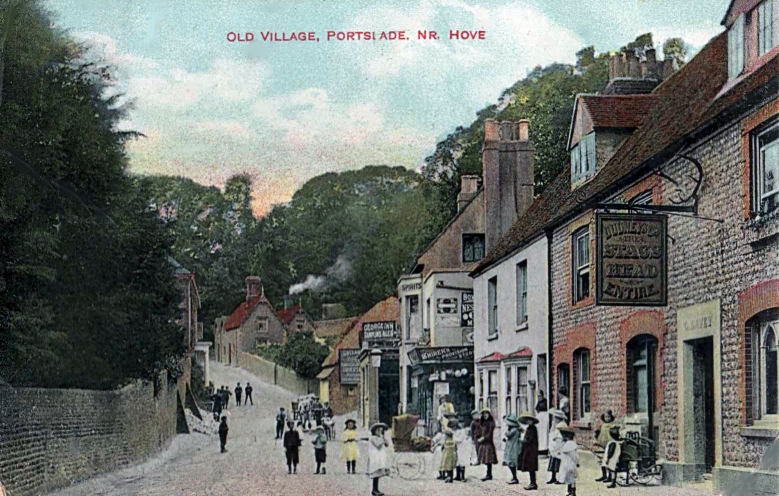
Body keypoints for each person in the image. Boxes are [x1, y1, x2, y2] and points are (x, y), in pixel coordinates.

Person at [367, 422, 390, 496]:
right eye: (378, 430)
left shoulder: (380, 438)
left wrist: (384, 439)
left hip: (379, 458)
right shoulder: (372, 438)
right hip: (374, 458)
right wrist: (382, 439)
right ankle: (374, 490)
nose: (379, 432)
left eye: (381, 430)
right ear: (374, 431)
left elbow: (387, 444)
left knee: (378, 474)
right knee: (375, 474)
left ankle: (376, 489)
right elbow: (378, 445)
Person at [517, 412, 539, 490]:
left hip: (532, 450)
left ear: (532, 421)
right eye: (527, 420)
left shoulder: (533, 428)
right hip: (529, 449)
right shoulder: (529, 428)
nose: (528, 421)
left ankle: (533, 483)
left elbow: (529, 440)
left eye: (529, 420)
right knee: (530, 466)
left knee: (531, 466)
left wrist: (522, 441)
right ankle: (532, 482)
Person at [475, 408, 498, 481]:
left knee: (488, 459)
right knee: (485, 459)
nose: (485, 415)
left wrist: (483, 438)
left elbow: (489, 434)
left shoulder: (491, 423)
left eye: (486, 413)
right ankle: (488, 473)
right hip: (483, 443)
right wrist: (478, 436)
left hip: (488, 443)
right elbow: (480, 431)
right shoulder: (482, 423)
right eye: (484, 414)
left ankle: (489, 474)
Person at [594, 410, 616, 482]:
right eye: (606, 417)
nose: (607, 418)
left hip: (609, 444)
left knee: (608, 460)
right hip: (602, 443)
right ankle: (604, 475)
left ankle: (609, 476)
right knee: (601, 459)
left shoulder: (612, 426)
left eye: (608, 417)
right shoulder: (602, 425)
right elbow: (598, 433)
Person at [558, 426, 579, 496]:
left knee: (571, 479)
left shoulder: (570, 444)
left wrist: (577, 462)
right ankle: (570, 491)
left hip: (569, 464)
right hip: (568, 464)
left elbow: (574, 456)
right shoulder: (567, 444)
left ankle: (572, 492)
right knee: (569, 479)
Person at [502, 413, 522, 485]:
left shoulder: (514, 429)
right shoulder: (515, 429)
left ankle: (515, 478)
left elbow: (507, 434)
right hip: (511, 446)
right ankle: (514, 477)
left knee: (511, 462)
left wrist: (506, 431)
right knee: (510, 462)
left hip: (513, 448)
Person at [546, 418, 565, 484]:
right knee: (553, 463)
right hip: (553, 448)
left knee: (559, 465)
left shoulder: (562, 425)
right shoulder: (554, 426)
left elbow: (561, 438)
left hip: (559, 448)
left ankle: (561, 479)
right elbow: (551, 434)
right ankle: (553, 477)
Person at [535, 391, 550, 455]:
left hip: (545, 417)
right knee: (540, 433)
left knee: (544, 433)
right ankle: (540, 448)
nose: (539, 397)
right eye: (538, 396)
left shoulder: (546, 401)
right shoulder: (538, 402)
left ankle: (545, 448)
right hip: (540, 418)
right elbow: (537, 409)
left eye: (540, 396)